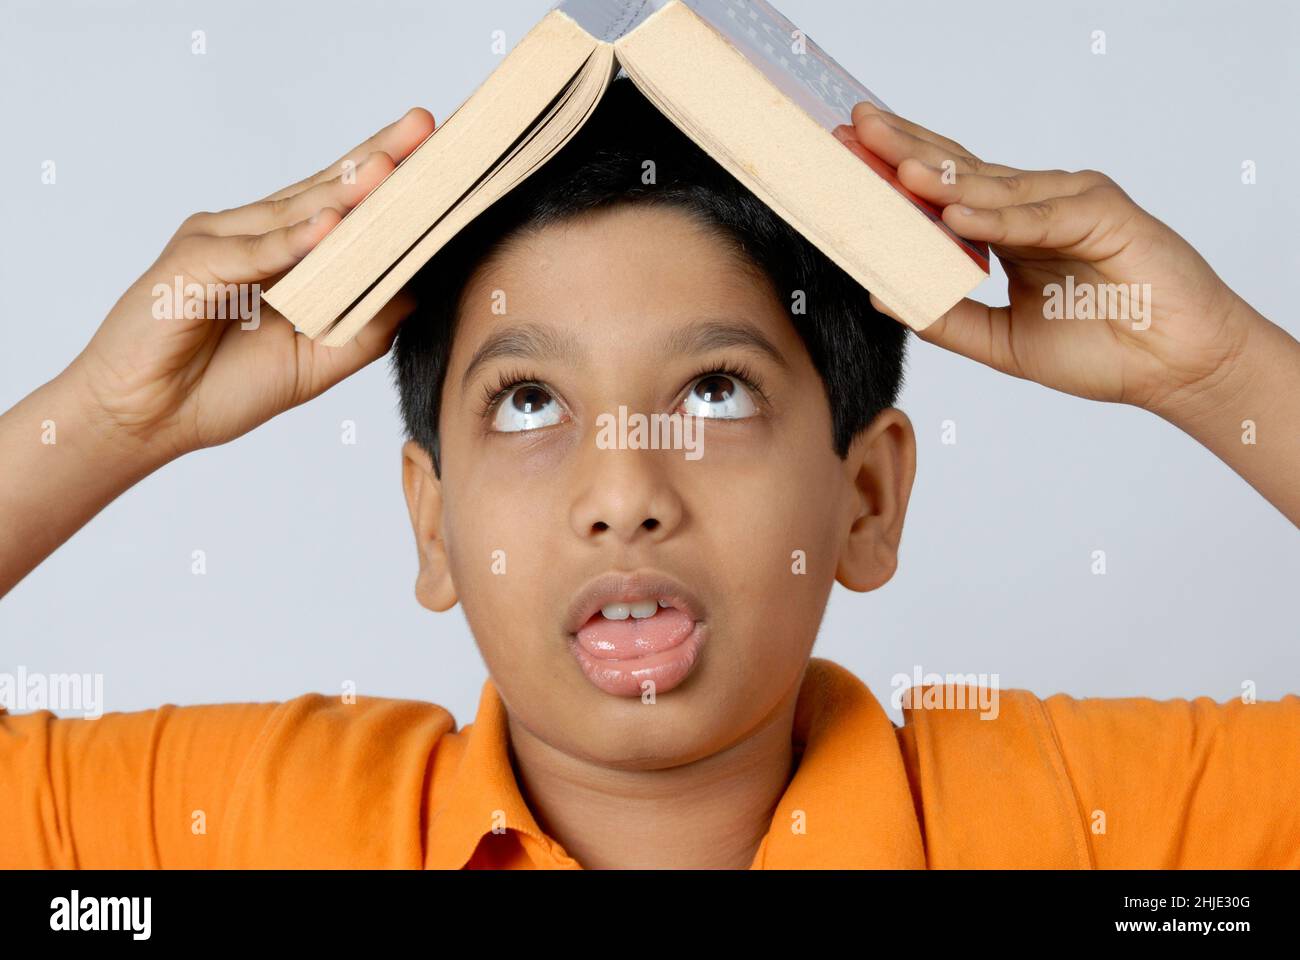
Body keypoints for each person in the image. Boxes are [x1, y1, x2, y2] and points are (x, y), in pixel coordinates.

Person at [1, 79, 1296, 869]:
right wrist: (110, 418)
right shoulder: (265, 828)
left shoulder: (1088, 826)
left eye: (715, 392)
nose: (625, 488)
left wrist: (1218, 370)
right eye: (526, 402)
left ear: (867, 498)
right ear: (433, 523)